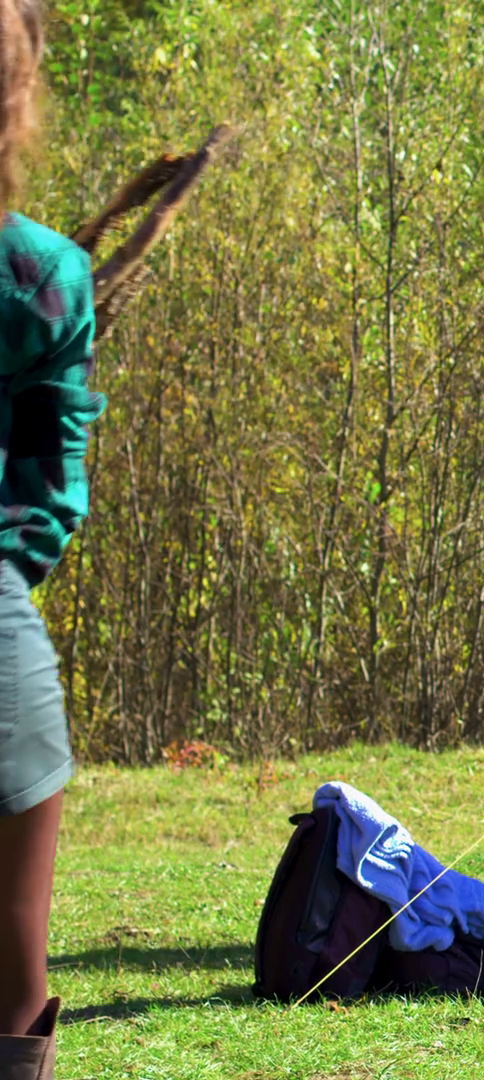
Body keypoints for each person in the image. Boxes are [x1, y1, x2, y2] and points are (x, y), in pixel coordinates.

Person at [0, 2, 107, 1076]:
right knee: (10, 977)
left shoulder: (40, 275)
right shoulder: (41, 275)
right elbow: (48, 476)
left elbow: (46, 473)